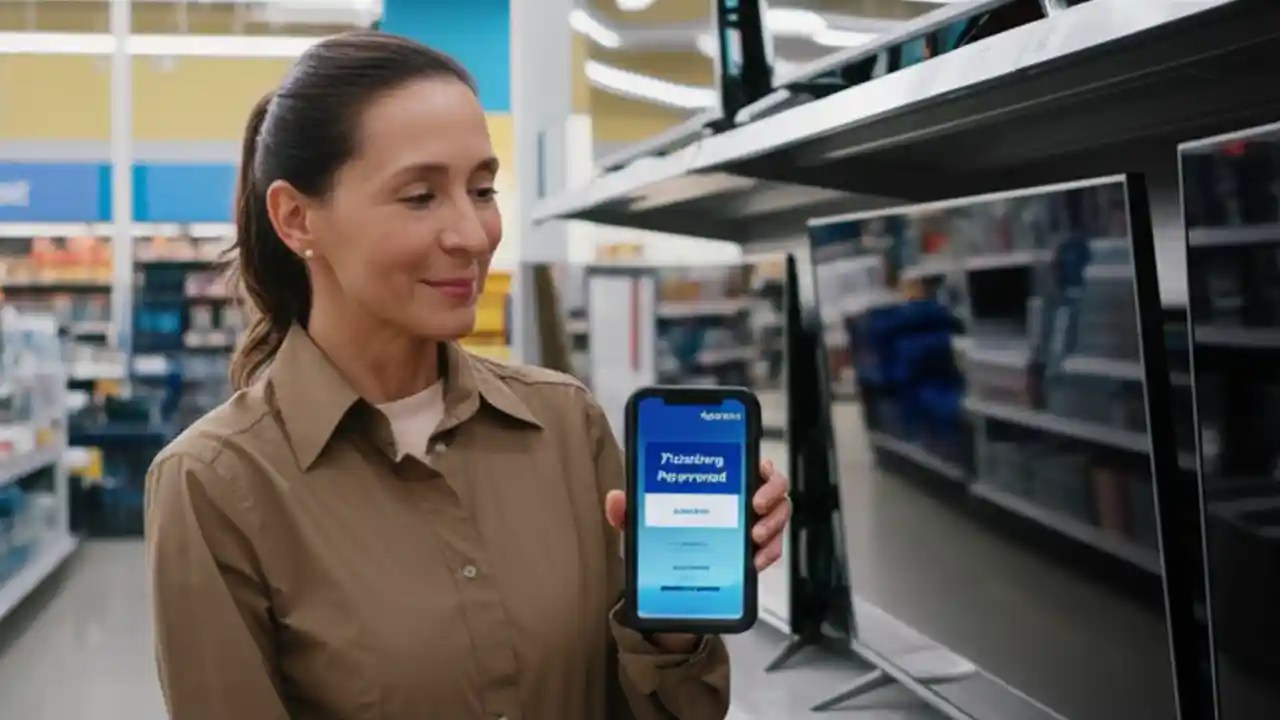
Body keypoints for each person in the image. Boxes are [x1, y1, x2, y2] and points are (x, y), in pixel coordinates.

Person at [144, 31, 791, 720]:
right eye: (421, 196)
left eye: (482, 189)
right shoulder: (214, 485)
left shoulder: (566, 427)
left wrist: (674, 610)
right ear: (297, 218)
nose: (474, 234)